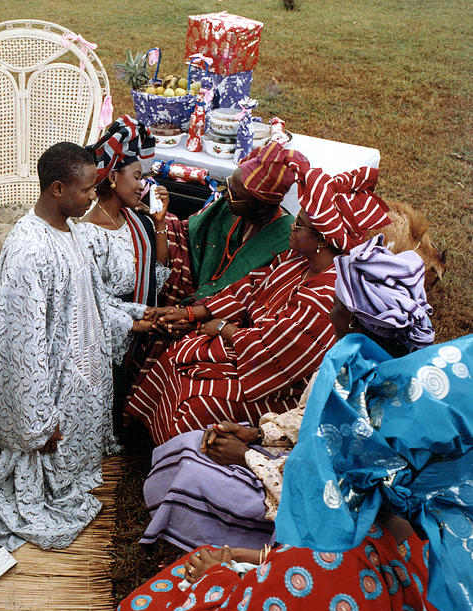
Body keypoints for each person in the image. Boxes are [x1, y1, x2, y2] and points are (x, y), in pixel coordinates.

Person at [100, 334, 473, 611]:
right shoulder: (438, 538)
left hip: (282, 607)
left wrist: (216, 578)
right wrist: (245, 559)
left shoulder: (316, 564)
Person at [0, 142, 153, 550]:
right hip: (43, 395)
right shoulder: (28, 251)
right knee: (14, 474)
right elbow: (22, 349)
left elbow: (88, 301)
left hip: (72, 380)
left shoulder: (72, 229)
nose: (94, 196)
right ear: (57, 188)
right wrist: (40, 422)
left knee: (63, 462)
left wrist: (133, 318)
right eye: (87, 189)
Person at [141, 234, 435, 552]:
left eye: (335, 306)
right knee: (189, 445)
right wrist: (255, 433)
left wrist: (246, 456)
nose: (330, 314)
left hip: (320, 511)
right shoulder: (351, 357)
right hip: (293, 469)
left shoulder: (379, 399)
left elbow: (337, 489)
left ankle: (234, 547)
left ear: (352, 319)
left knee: (192, 475)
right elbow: (305, 417)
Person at [126, 161, 392, 444]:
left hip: (277, 382)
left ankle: (184, 453)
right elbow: (250, 287)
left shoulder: (325, 296)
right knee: (182, 349)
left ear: (323, 242)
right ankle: (160, 442)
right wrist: (192, 313)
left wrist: (222, 330)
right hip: (250, 347)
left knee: (196, 396)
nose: (292, 227)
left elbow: (279, 355)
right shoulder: (297, 259)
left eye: (299, 226)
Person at [128, 141, 306, 380]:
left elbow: (254, 302)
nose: (226, 195)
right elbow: (188, 231)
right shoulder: (230, 204)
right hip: (197, 282)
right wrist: (159, 220)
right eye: (229, 186)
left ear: (262, 207)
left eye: (236, 194)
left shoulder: (286, 241)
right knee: (156, 236)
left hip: (226, 313)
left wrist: (192, 317)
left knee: (171, 328)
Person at [78, 116, 171, 364]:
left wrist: (159, 222)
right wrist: (140, 323)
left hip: (143, 324)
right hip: (107, 339)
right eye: (137, 176)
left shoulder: (136, 220)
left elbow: (157, 274)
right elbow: (90, 304)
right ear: (113, 177)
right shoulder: (89, 234)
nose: (142, 186)